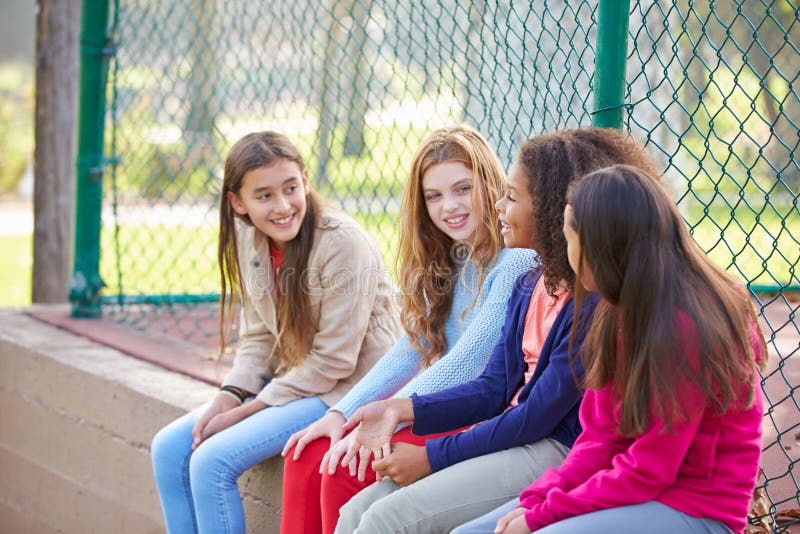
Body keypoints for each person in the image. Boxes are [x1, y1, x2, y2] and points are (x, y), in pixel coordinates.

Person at [334, 128, 663, 533]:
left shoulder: (589, 302)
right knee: (354, 512)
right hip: (511, 435)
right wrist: (400, 408)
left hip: (553, 448)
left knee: (387, 520)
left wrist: (432, 456)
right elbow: (494, 385)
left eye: (511, 196)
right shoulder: (531, 283)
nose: (498, 204)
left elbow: (537, 416)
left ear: (549, 209)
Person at [459, 164, 766, 534]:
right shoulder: (616, 308)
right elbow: (599, 438)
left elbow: (650, 469)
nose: (565, 249)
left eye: (570, 236)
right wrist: (537, 498)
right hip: (635, 488)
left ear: (602, 248)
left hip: (697, 509)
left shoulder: (686, 323)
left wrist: (543, 516)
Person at [279, 125, 537, 534]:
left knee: (349, 469)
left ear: (490, 185)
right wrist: (342, 412)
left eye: (462, 189)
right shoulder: (451, 257)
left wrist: (386, 415)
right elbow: (412, 348)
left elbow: (468, 363)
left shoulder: (514, 263)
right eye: (434, 196)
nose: (448, 206)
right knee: (306, 454)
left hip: (475, 411)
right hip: (430, 405)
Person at [150, 131, 403, 534]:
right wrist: (228, 396)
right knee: (168, 448)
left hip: (348, 390)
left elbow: (334, 361)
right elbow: (259, 339)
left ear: (305, 180)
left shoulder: (343, 243)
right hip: (300, 385)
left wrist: (248, 410)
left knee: (212, 461)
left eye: (290, 188)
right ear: (238, 202)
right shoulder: (251, 238)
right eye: (264, 196)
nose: (283, 206)